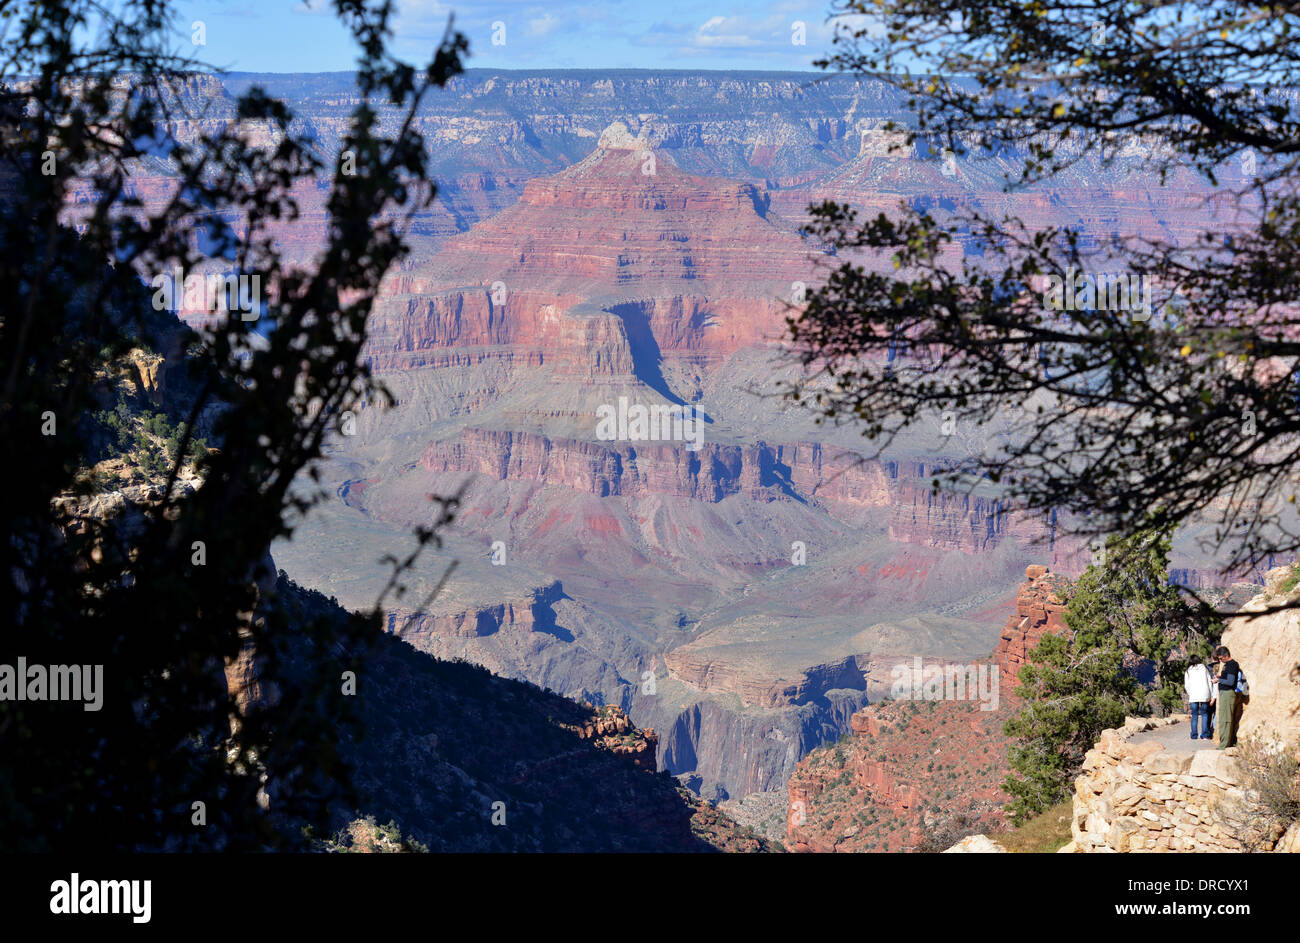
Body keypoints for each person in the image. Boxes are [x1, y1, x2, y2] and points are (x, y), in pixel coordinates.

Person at [1210, 646, 1242, 749]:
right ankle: (1223, 743)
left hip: (1228, 694)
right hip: (1224, 693)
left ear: (1226, 656)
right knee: (1223, 718)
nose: (1220, 661)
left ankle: (1224, 745)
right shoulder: (1227, 665)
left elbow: (1230, 681)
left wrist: (1218, 680)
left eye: (1221, 658)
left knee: (1226, 719)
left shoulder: (1232, 665)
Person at [1183, 655, 1215, 740]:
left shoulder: (1188, 671)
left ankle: (1194, 735)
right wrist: (1211, 695)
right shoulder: (1205, 669)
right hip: (1205, 694)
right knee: (1205, 714)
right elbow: (1209, 682)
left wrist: (1191, 693)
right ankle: (1204, 735)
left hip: (1194, 695)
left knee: (1194, 715)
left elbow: (1187, 685)